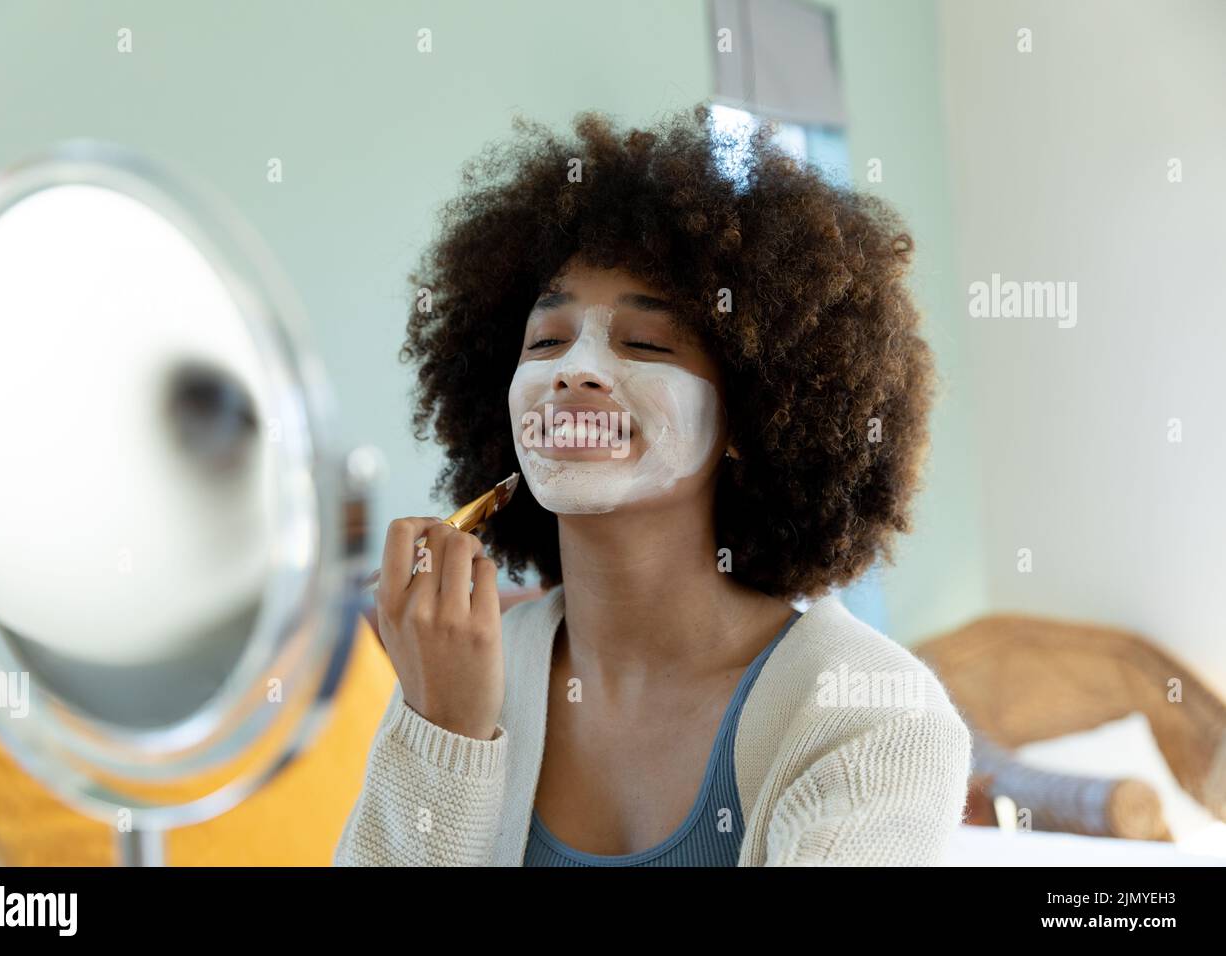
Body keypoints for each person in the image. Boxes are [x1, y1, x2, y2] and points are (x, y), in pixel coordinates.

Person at [335, 105, 971, 866]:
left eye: (644, 342)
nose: (574, 369)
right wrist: (444, 734)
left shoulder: (873, 717)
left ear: (751, 414)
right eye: (546, 340)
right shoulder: (456, 679)